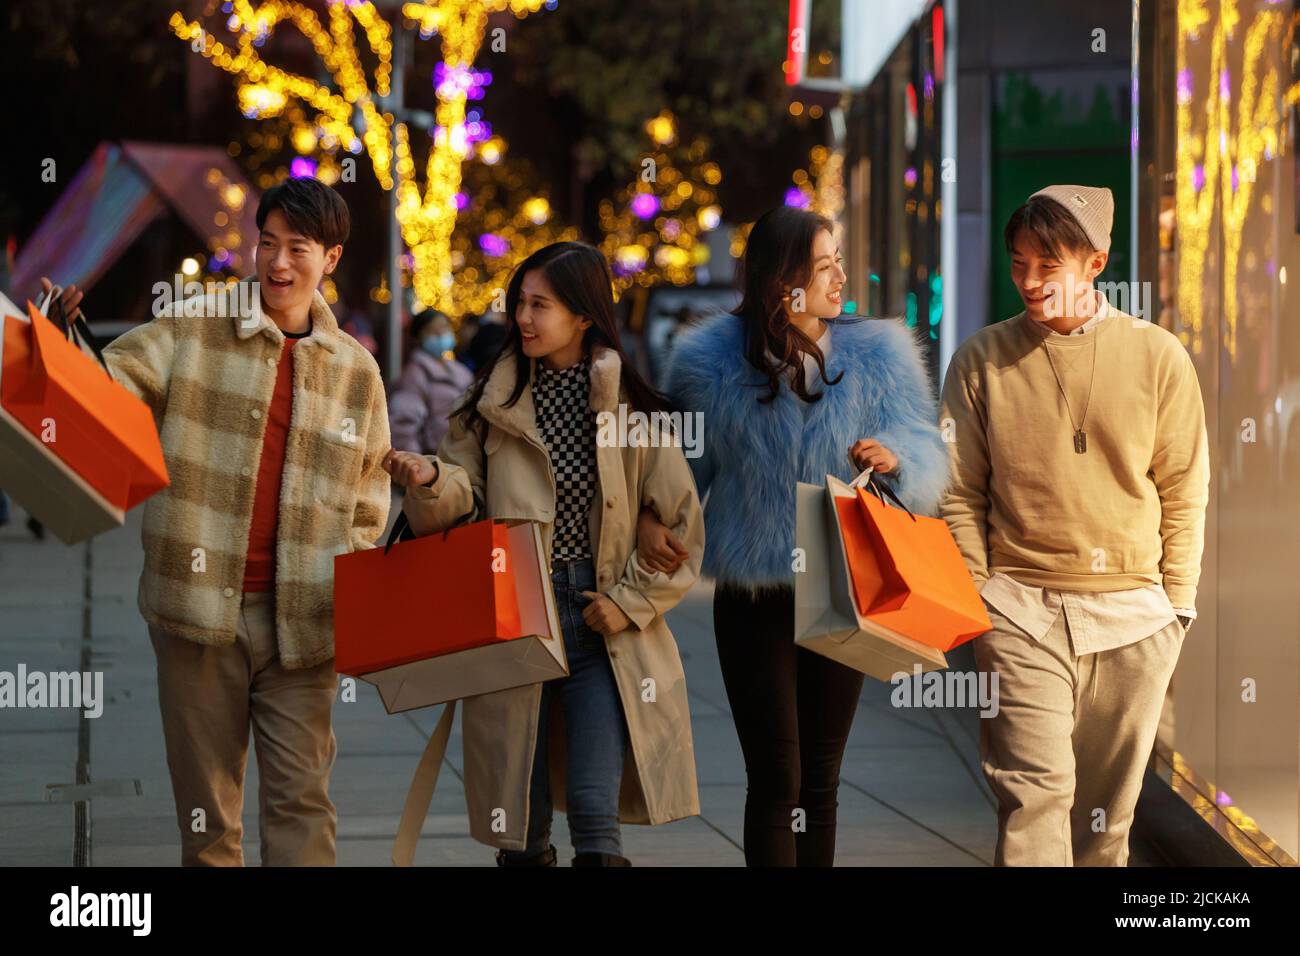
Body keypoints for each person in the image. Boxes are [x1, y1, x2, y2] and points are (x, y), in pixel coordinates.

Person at [41, 176, 391, 866]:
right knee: (208, 820)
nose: (279, 263)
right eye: (267, 244)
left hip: (306, 625)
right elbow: (108, 395)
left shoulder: (356, 371)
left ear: (332, 258)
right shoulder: (193, 328)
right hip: (199, 613)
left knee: (303, 805)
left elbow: (368, 498)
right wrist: (60, 347)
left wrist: (349, 576)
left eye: (298, 248)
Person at [383, 241, 704, 866]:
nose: (523, 318)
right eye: (519, 304)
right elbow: (464, 499)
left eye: (540, 305)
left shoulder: (627, 410)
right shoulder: (489, 406)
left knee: (594, 814)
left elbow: (683, 526)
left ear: (583, 315)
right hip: (512, 623)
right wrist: (427, 480)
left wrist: (629, 601)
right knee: (521, 826)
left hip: (597, 625)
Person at [650, 206, 949, 866]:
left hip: (842, 585)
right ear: (778, 280)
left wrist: (896, 459)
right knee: (775, 779)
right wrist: (656, 524)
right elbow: (677, 472)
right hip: (753, 592)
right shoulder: (707, 361)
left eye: (839, 259)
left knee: (820, 782)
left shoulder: (879, 353)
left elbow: (925, 446)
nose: (841, 276)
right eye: (823, 265)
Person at [939, 185, 1210, 866]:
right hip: (1021, 611)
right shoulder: (981, 361)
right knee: (1035, 801)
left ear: (1096, 262)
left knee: (1105, 828)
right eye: (1019, 262)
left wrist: (1175, 607)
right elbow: (958, 490)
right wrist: (981, 601)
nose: (1028, 281)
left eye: (1047, 266)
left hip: (1133, 619)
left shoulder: (1159, 358)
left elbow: (1184, 488)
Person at [388, 308, 473, 456]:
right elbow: (403, 425)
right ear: (418, 337)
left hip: (463, 457)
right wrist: (415, 463)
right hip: (436, 460)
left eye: (444, 327)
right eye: (432, 331)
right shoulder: (415, 374)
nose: (440, 334)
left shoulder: (460, 370)